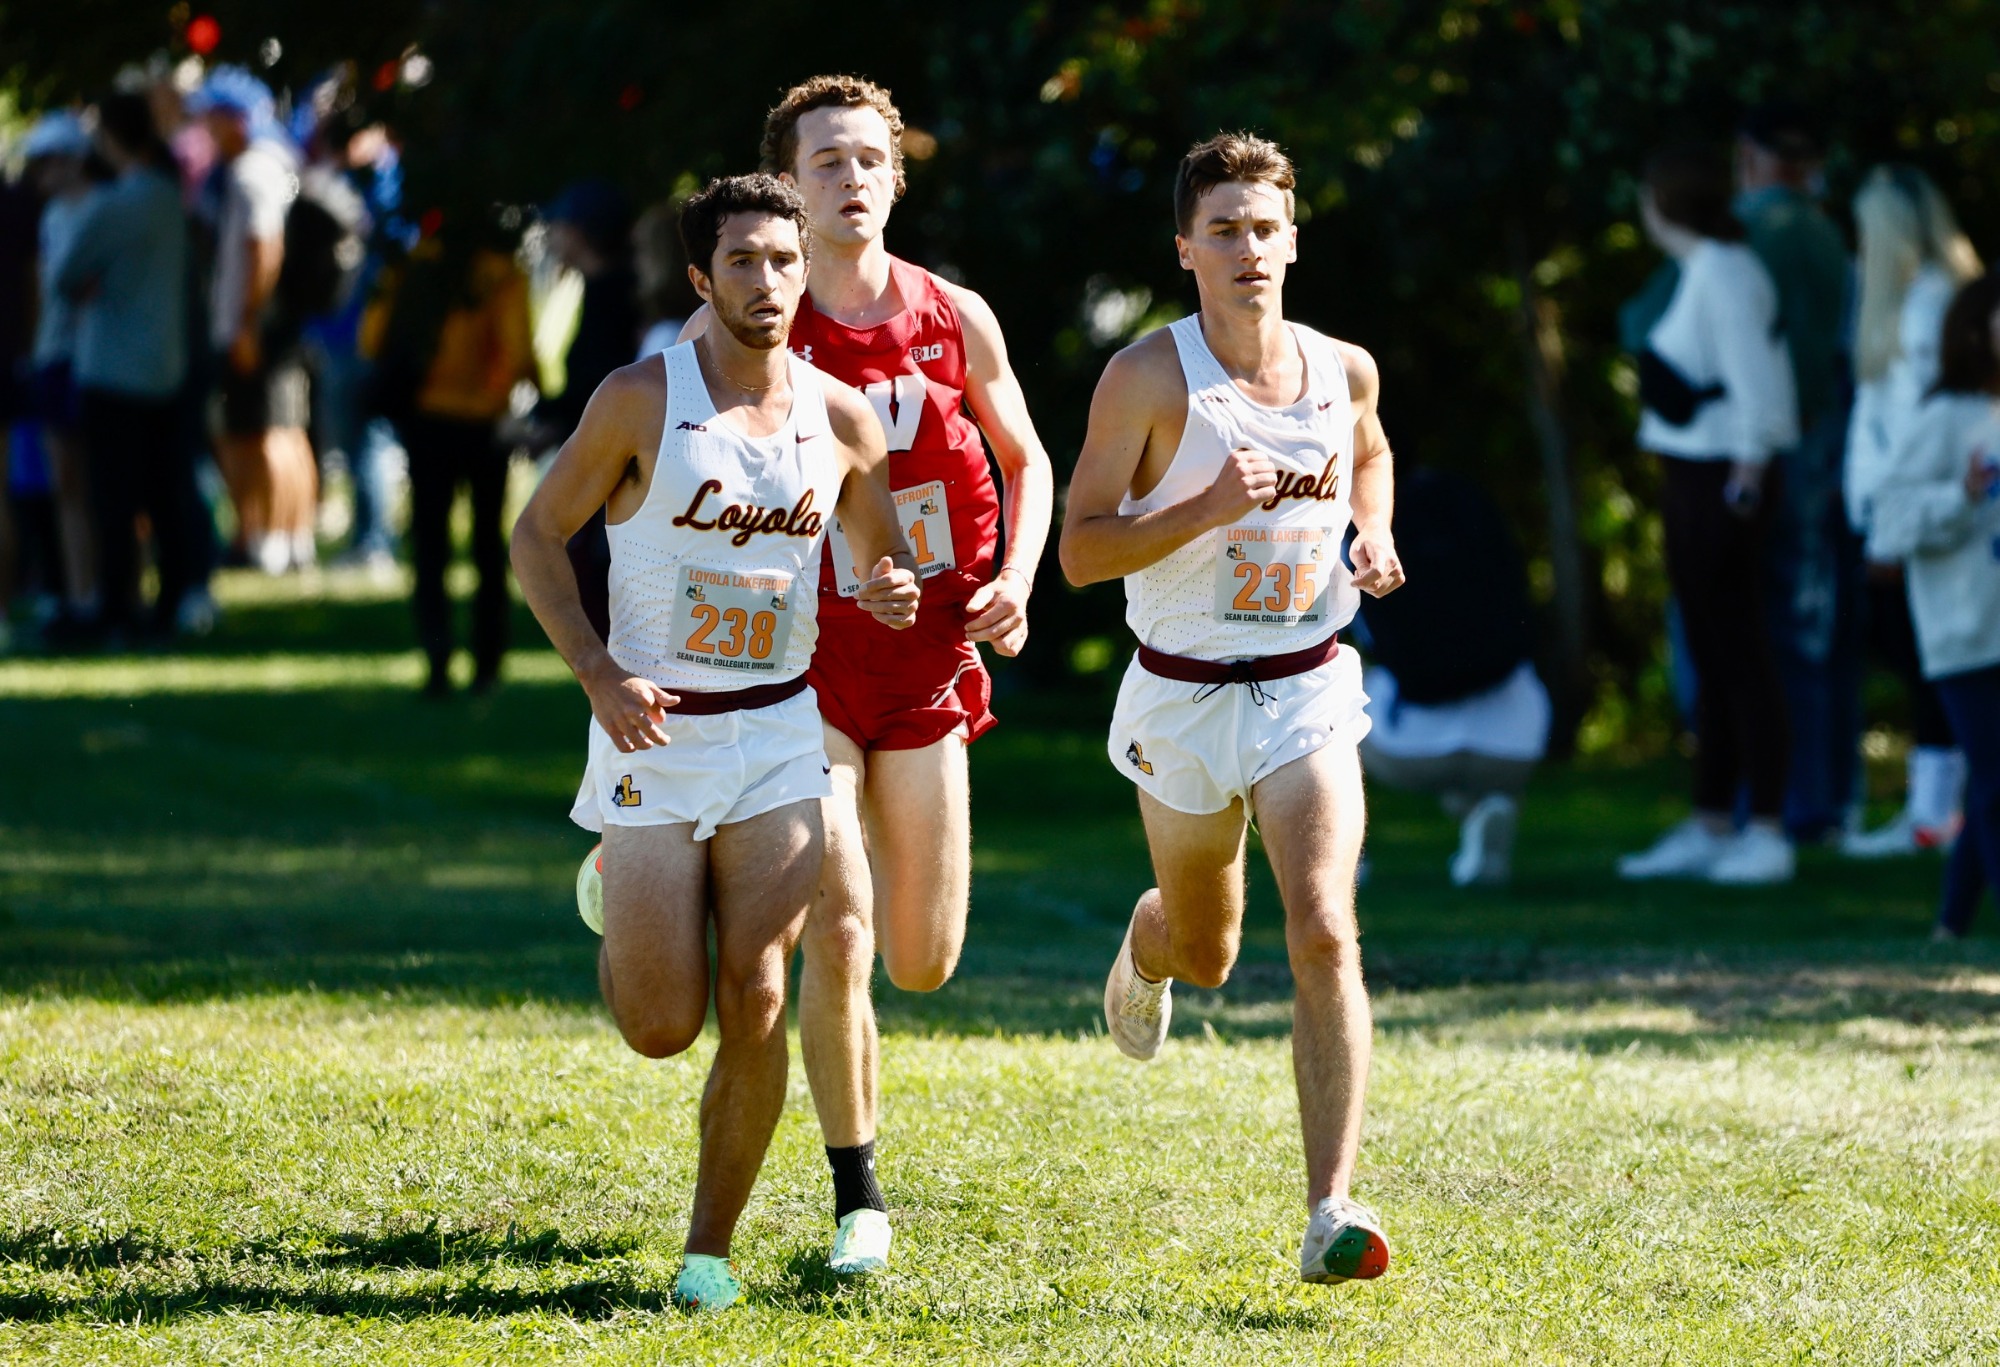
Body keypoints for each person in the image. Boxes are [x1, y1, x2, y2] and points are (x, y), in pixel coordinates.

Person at [511, 173, 918, 1311]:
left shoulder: (842, 417)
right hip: (652, 727)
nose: (769, 281)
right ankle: (620, 884)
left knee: (759, 989)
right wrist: (596, 672)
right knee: (657, 1022)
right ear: (702, 277)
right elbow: (536, 536)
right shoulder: (642, 398)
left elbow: (878, 555)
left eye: (784, 261)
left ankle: (706, 1256)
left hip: (781, 734)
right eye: (742, 260)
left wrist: (887, 590)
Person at [680, 74, 1055, 1274]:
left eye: (865, 160)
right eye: (823, 162)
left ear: (896, 177)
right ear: (787, 183)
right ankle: (859, 1197)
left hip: (929, 655)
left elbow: (1026, 458)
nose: (848, 180)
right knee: (834, 924)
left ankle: (671, 880)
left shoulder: (953, 314)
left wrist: (1016, 579)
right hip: (802, 667)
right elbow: (681, 488)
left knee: (921, 954)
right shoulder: (743, 327)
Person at [1060, 131, 1405, 1286]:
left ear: (1293, 239)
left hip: (1306, 682)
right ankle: (1146, 946)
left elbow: (1369, 451)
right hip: (1182, 694)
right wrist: (1205, 505)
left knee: (1321, 925)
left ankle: (1329, 1209)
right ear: (1185, 250)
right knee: (1208, 950)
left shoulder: (1339, 365)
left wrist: (1374, 530)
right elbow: (1078, 552)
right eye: (1224, 230)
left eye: (1265, 228)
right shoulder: (1147, 379)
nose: (1248, 249)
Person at [1618, 144, 1799, 885]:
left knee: (1740, 653)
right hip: (1701, 475)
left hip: (1722, 479)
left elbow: (1760, 386)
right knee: (1714, 653)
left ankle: (1766, 829)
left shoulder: (1724, 272)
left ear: (1664, 206)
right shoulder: (1712, 267)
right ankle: (1715, 817)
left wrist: (1747, 482)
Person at [1841, 166, 1982, 857]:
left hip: (1920, 521)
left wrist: (1890, 530)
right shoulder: (1935, 304)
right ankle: (1939, 811)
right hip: (1921, 515)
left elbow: (1913, 441)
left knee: (1936, 660)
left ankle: (1934, 815)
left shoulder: (1921, 314)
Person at [1736, 102, 1863, 844]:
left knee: (1776, 625)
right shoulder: (1832, 236)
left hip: (1781, 449)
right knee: (1822, 623)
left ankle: (1790, 800)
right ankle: (1827, 793)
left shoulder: (1758, 231)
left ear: (1750, 156)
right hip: (1831, 446)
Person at [1868, 274, 2000, 939]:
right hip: (1965, 633)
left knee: (1993, 780)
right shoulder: (1944, 416)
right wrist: (1961, 494)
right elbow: (1889, 522)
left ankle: (1951, 922)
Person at [363, 217, 537, 696]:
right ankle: (487, 664)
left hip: (427, 417)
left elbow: (372, 337)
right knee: (487, 546)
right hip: (482, 423)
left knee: (431, 545)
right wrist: (501, 396)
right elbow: (518, 349)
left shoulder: (412, 267)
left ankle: (437, 660)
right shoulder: (503, 272)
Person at [1355, 467, 1548, 886]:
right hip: (1515, 740)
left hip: (1407, 747)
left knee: (1328, 681)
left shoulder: (1357, 530)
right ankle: (1482, 808)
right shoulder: (1466, 505)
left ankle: (1347, 853)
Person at [50, 92, 193, 646]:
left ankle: (118, 606)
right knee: (163, 493)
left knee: (115, 498)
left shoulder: (117, 204)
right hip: (164, 364)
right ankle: (170, 602)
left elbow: (67, 275)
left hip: (113, 370)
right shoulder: (168, 199)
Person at [191, 67, 317, 574]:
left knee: (271, 433)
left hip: (258, 325)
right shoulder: (274, 162)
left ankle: (279, 538)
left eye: (212, 118)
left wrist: (246, 321)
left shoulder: (252, 171)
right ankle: (275, 535)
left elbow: (264, 247)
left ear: (235, 119)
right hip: (270, 322)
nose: (206, 129)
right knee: (275, 429)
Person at [23, 112, 101, 634]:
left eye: (55, 160)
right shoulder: (50, 219)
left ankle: (104, 592)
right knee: (66, 484)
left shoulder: (100, 210)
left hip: (93, 358)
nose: (47, 172)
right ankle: (76, 593)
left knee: (98, 480)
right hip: (54, 358)